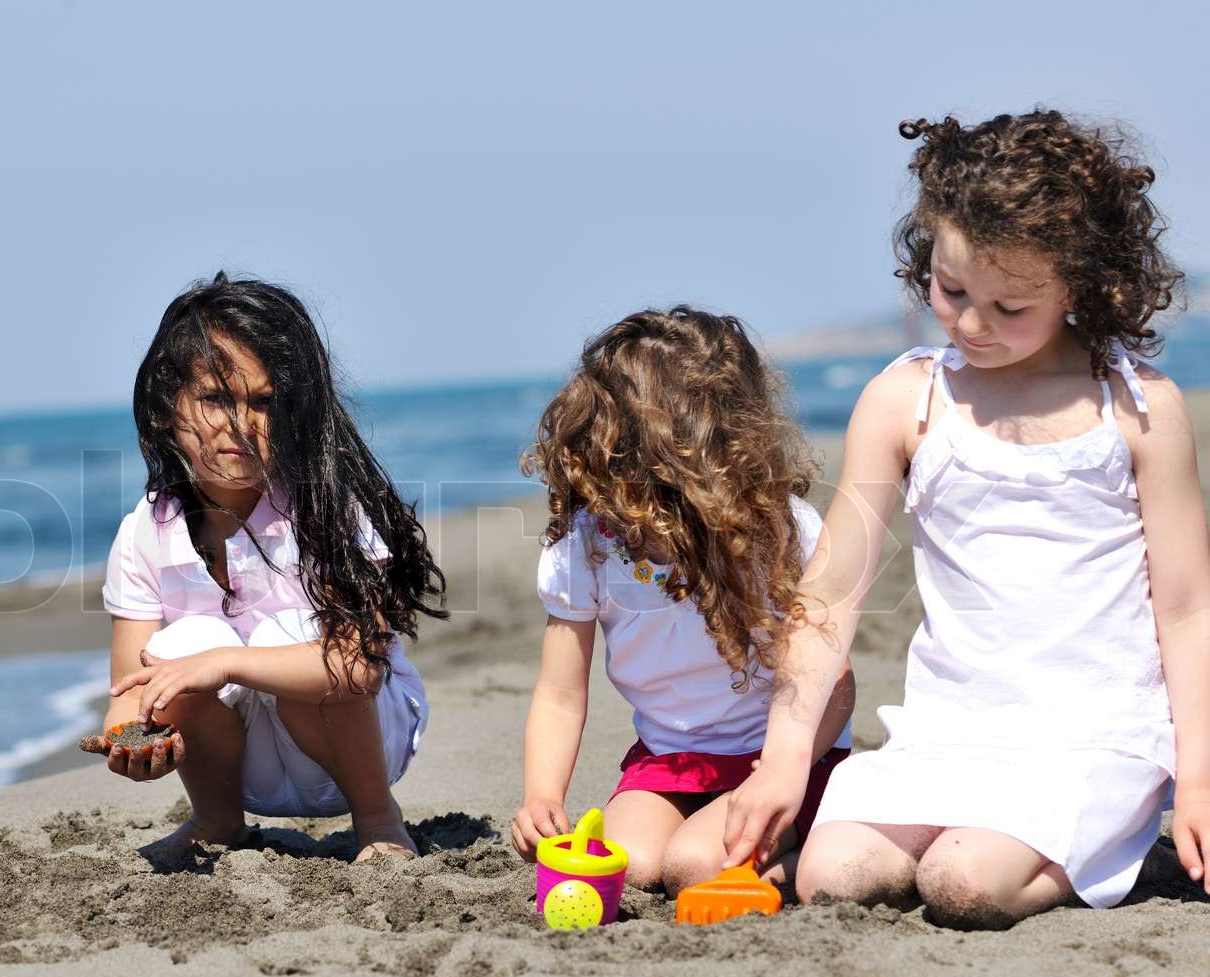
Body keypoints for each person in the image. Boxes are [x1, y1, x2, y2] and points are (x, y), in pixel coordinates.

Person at [724, 110, 1208, 928]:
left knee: (963, 881)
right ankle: (1066, 847)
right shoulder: (904, 400)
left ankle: (1124, 845)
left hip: (1093, 737)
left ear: (1080, 286)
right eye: (951, 292)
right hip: (951, 733)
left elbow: (1188, 607)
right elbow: (830, 594)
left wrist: (1196, 773)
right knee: (830, 875)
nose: (973, 323)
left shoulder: (1136, 408)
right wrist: (782, 760)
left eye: (1009, 305)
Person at [100, 273, 446, 861]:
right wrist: (127, 743)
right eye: (214, 398)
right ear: (166, 408)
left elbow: (359, 669)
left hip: (363, 744)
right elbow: (126, 694)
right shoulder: (143, 532)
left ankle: (379, 822)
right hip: (245, 766)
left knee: (287, 634)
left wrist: (225, 662)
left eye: (263, 402)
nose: (240, 424)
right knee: (177, 651)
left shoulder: (324, 508)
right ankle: (218, 820)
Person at [509, 306, 854, 893]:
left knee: (693, 864)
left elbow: (836, 687)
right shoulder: (590, 544)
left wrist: (777, 771)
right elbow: (561, 692)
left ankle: (804, 861)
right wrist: (542, 796)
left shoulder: (781, 530)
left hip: (786, 756)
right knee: (633, 865)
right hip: (670, 759)